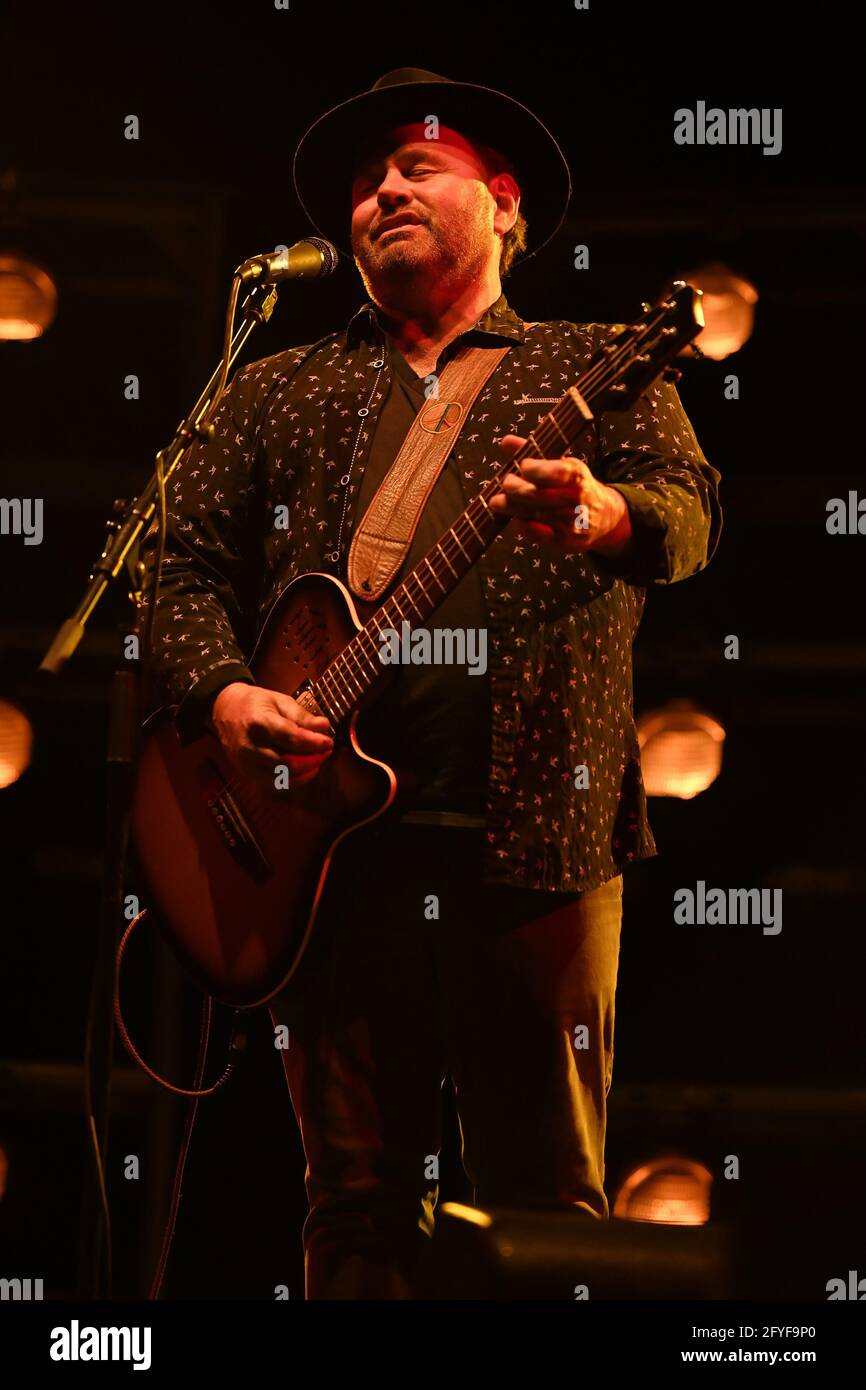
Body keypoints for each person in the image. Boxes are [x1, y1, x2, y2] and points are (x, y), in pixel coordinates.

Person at [139, 68, 722, 1300]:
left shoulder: (596, 360)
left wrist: (602, 510)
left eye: (417, 166)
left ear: (503, 206)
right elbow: (179, 566)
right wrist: (222, 699)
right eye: (364, 182)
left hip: (534, 837)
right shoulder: (278, 381)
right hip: (324, 855)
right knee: (351, 1199)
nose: (382, 191)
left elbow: (689, 516)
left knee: (546, 1193)